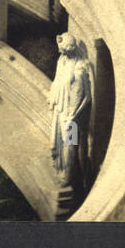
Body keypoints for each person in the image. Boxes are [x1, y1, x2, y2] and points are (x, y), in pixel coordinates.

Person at [48, 32, 94, 203]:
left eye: (65, 51)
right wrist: (52, 95)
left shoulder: (80, 70)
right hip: (60, 109)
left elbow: (87, 97)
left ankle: (68, 177)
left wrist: (74, 116)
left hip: (72, 116)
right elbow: (57, 80)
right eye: (61, 51)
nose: (62, 54)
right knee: (59, 141)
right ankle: (62, 170)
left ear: (72, 49)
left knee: (71, 145)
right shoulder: (63, 61)